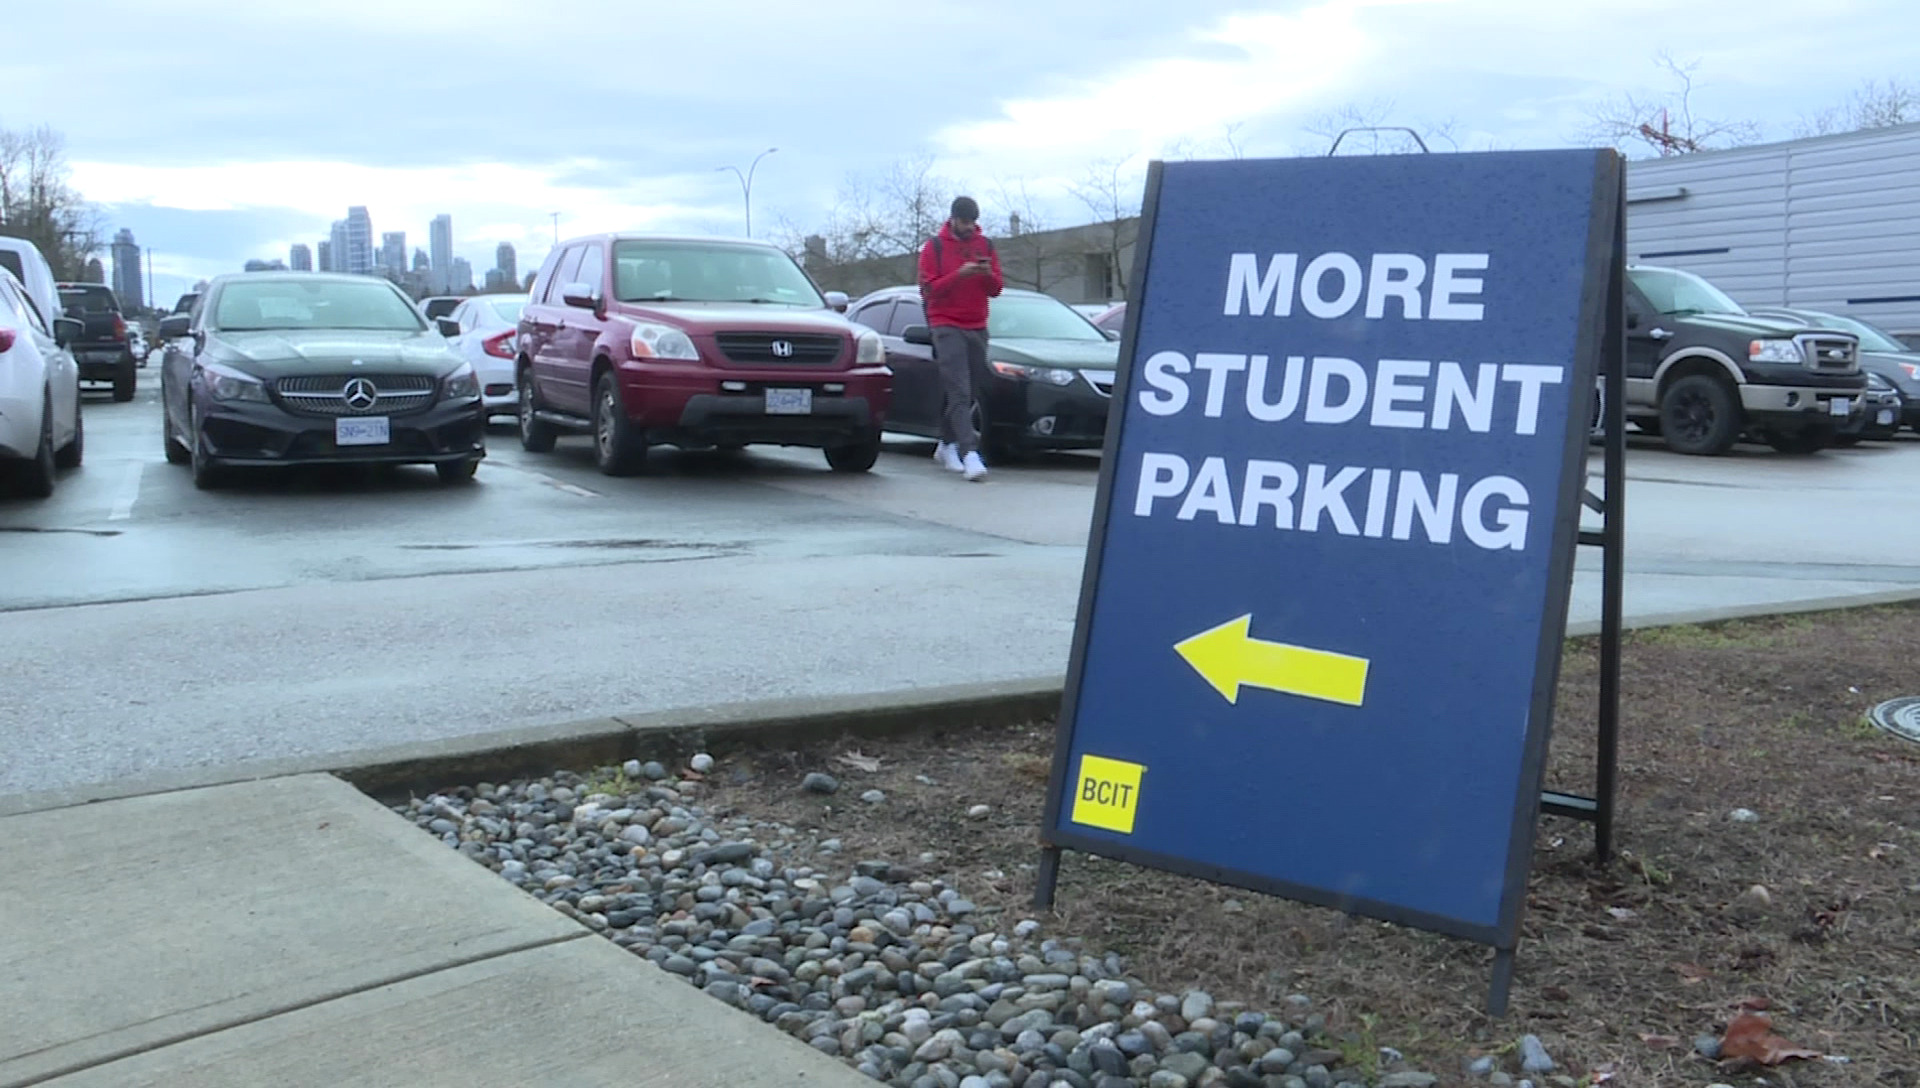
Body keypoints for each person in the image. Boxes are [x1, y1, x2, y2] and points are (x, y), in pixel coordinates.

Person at [918, 195, 1003, 481]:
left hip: (977, 325)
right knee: (959, 390)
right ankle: (970, 454)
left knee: (971, 391)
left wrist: (987, 273)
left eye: (973, 223)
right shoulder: (935, 247)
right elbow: (929, 290)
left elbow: (996, 290)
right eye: (965, 222)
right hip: (946, 325)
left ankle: (946, 443)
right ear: (953, 219)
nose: (969, 228)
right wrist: (959, 275)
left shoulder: (986, 246)